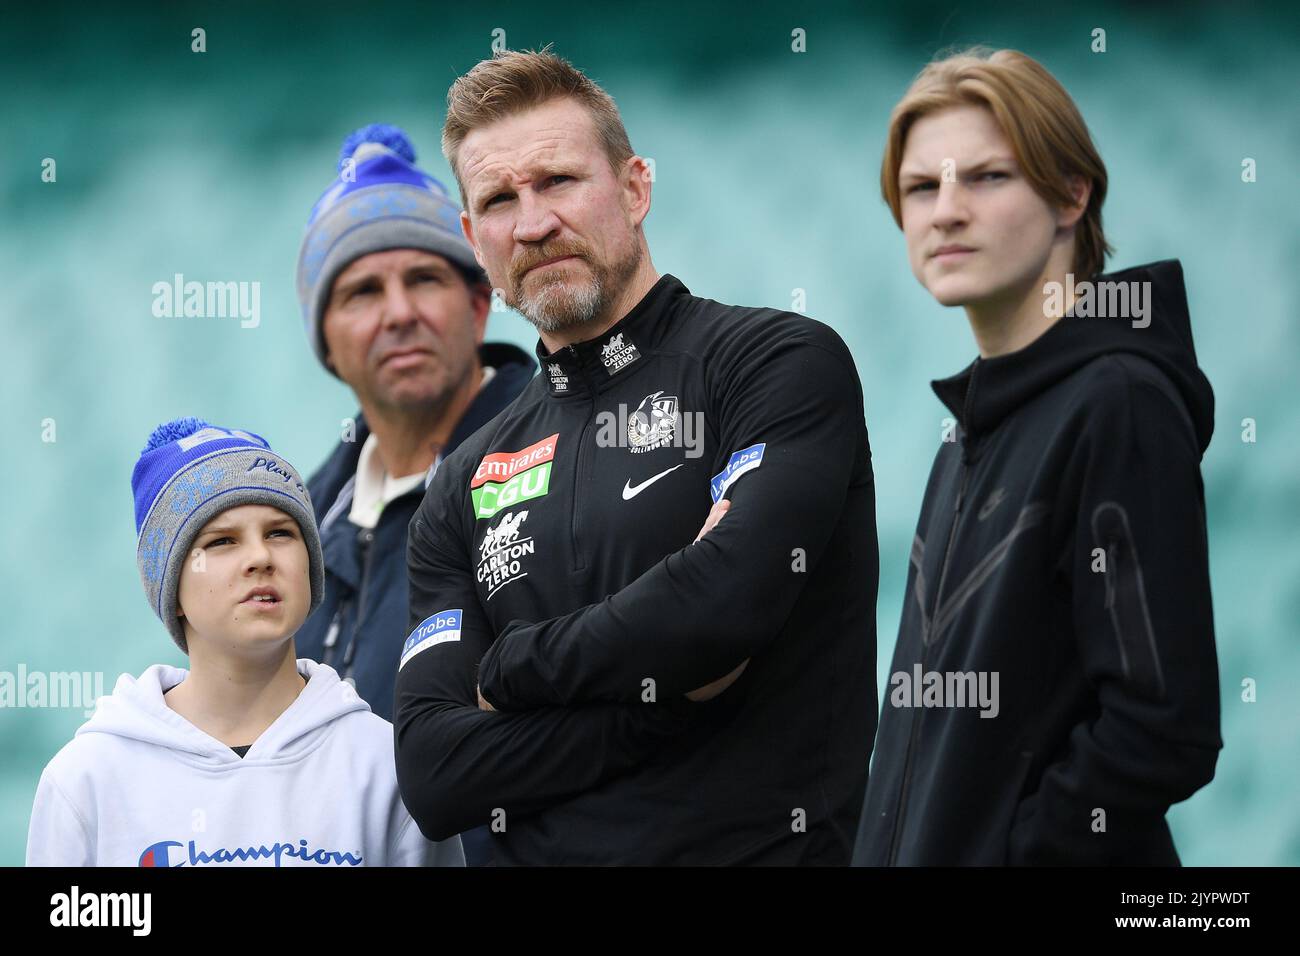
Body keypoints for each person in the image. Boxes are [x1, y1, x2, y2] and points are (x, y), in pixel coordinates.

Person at [394, 49, 879, 865]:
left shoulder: (773, 362)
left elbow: (720, 606)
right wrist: (662, 705)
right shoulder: (463, 481)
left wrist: (510, 668)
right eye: (500, 201)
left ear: (635, 187)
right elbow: (436, 776)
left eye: (558, 181)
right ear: (476, 240)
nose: (535, 222)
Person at [853, 48, 1221, 866]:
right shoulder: (971, 430)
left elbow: (1165, 727)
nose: (946, 211)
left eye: (986, 178)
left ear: (1070, 193)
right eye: (921, 188)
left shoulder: (1117, 403)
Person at [26, 419, 463, 867]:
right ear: (171, 588)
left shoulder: (384, 764)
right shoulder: (87, 779)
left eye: (280, 533)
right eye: (221, 541)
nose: (260, 558)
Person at [293, 123, 534, 723]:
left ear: (480, 307)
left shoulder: (561, 459)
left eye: (424, 280)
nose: (399, 314)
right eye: (363, 292)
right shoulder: (297, 523)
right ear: (326, 340)